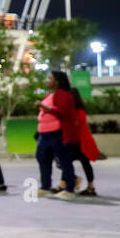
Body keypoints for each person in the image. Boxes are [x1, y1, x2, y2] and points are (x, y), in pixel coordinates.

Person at [36, 70, 78, 198]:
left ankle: (70, 189)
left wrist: (45, 107)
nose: (47, 80)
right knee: (42, 158)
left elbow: (62, 112)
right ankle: (45, 187)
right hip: (44, 134)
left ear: (57, 82)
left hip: (57, 133)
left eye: (50, 78)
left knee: (64, 161)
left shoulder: (64, 95)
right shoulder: (49, 95)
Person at [68, 87, 101, 197]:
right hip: (78, 141)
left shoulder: (78, 111)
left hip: (80, 142)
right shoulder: (78, 110)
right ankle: (82, 183)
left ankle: (88, 186)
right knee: (67, 162)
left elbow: (77, 124)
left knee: (78, 163)